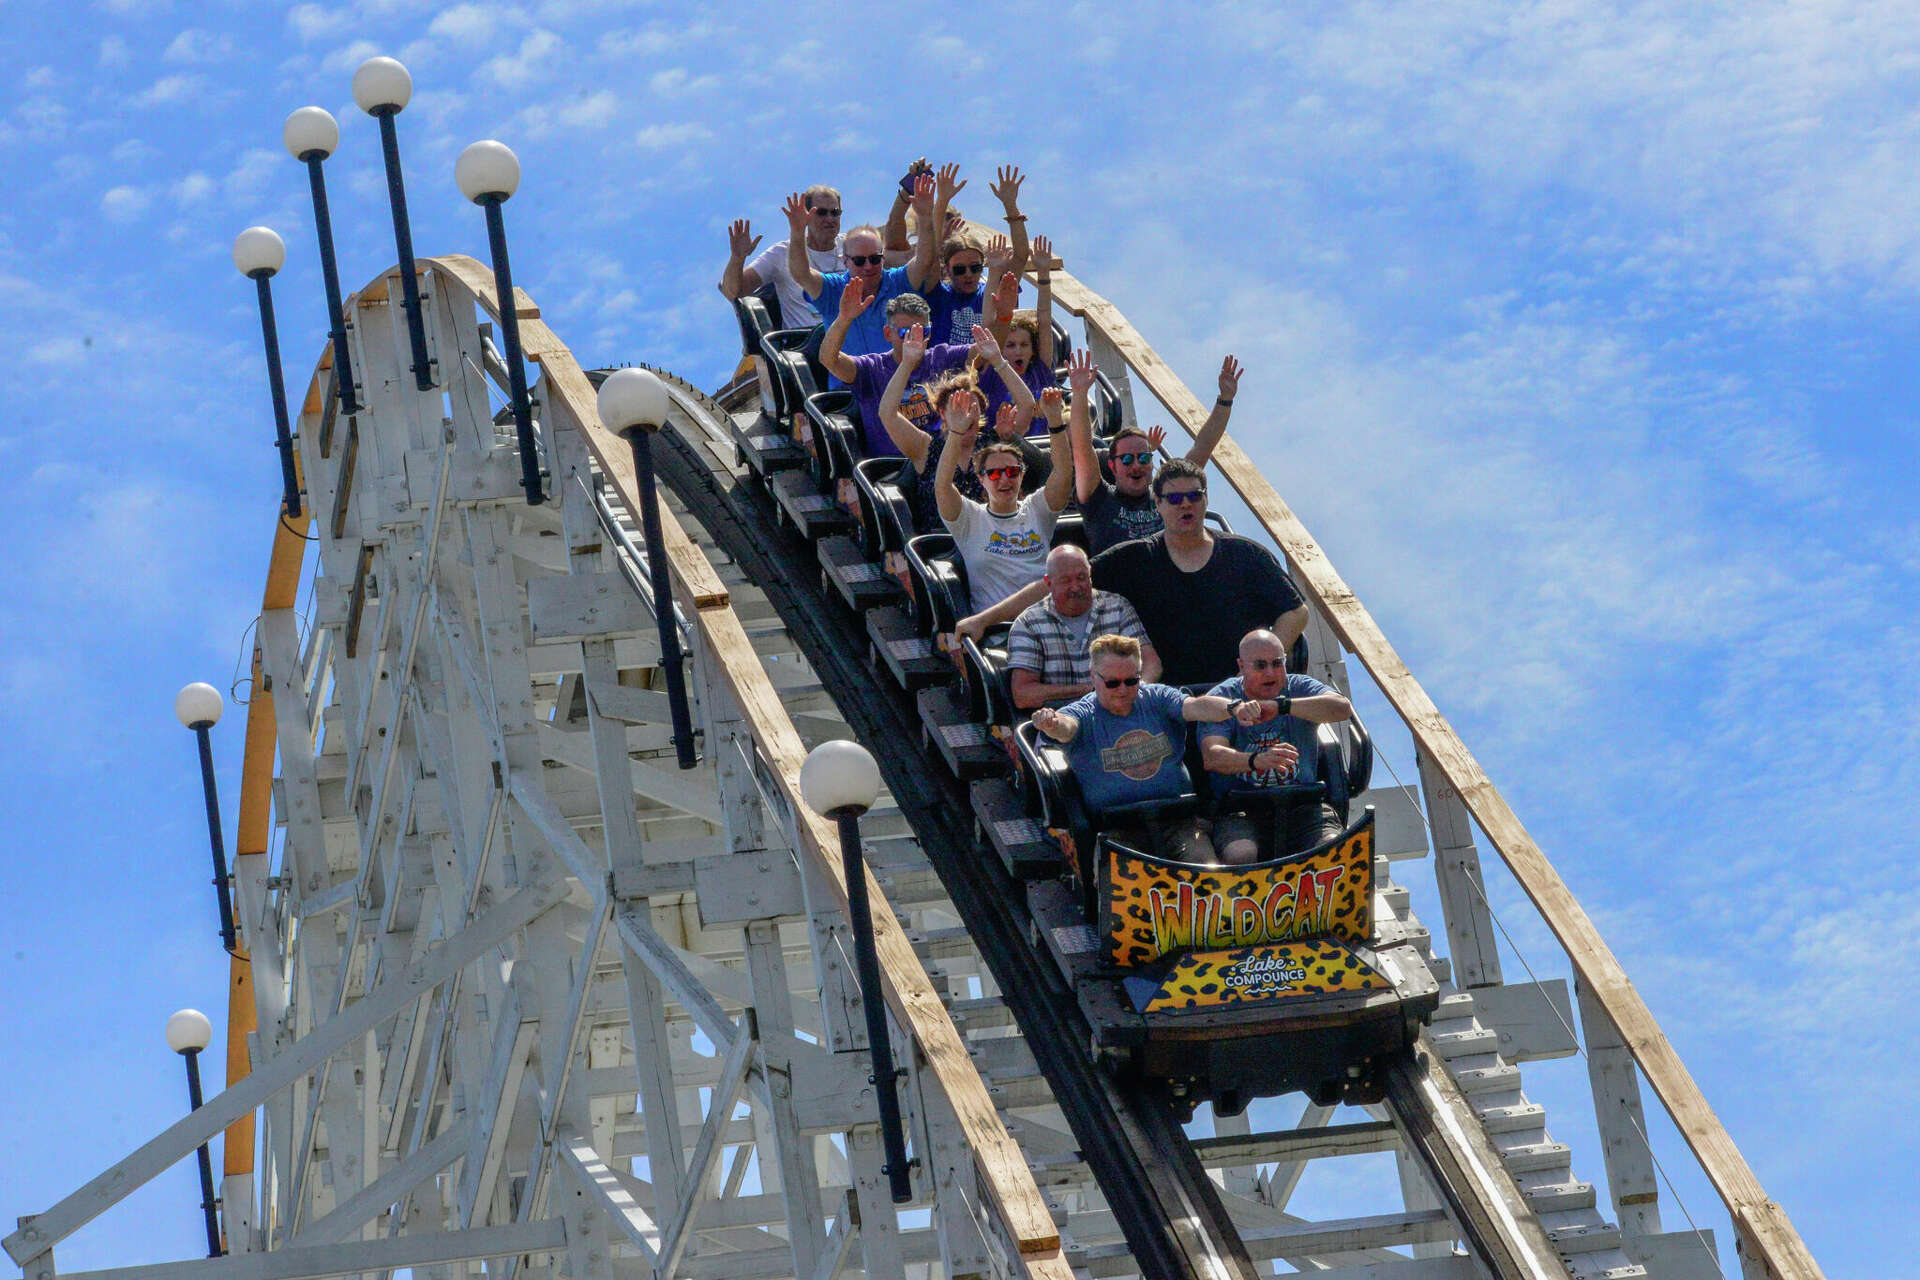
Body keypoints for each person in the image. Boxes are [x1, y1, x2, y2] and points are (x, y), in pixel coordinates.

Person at [1029, 634, 1264, 863]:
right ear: (1093, 676)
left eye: (1131, 681)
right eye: (1112, 683)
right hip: (1118, 831)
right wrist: (1052, 724)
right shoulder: (1083, 712)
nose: (1122, 690)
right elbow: (1066, 727)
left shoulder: (1156, 697)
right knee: (1125, 884)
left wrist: (1234, 707)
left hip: (1176, 822)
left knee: (1206, 874)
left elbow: (1195, 706)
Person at [1088, 460, 1308, 687]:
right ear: (1158, 503)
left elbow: (1296, 612)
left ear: (1206, 499)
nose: (1185, 504)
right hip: (1165, 703)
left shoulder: (1246, 554)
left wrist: (1260, 666)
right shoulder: (1134, 559)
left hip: (1241, 699)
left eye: (1194, 496)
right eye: (1174, 499)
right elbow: (1072, 578)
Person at [1200, 630, 1354, 864]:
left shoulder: (1298, 687)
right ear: (1242, 666)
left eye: (1277, 663)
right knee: (1241, 855)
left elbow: (1342, 708)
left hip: (1303, 806)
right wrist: (1256, 760)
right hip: (1240, 810)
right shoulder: (1224, 698)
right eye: (1260, 665)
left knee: (1331, 850)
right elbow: (1212, 756)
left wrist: (1283, 707)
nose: (1270, 673)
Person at [1068, 350, 1244, 553]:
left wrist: (1225, 399)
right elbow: (1082, 449)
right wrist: (1080, 394)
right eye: (1126, 459)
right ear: (1112, 466)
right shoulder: (1100, 499)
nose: (1136, 465)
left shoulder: (1167, 494)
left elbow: (1203, 447)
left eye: (1143, 458)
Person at [784, 166, 955, 367]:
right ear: (845, 260)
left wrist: (926, 217)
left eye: (874, 259)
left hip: (902, 388)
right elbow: (801, 274)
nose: (868, 266)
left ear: (883, 258)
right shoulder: (833, 289)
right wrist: (797, 232)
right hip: (850, 391)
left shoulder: (898, 281)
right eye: (859, 261)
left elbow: (925, 260)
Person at [934, 368, 1074, 613]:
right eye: (995, 474)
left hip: (1049, 619)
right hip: (999, 633)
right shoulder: (970, 519)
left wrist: (1055, 423)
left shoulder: (1036, 510)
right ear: (981, 479)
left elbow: (1062, 475)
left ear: (1021, 475)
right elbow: (943, 486)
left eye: (1011, 472)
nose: (1004, 480)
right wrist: (956, 431)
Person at [877, 336, 1049, 533]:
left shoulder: (996, 440)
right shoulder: (925, 448)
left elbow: (1027, 405)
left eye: (972, 408)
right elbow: (887, 413)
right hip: (944, 546)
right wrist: (907, 364)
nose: (966, 415)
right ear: (942, 413)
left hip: (994, 537)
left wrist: (998, 361)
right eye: (958, 408)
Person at [817, 286, 969, 454]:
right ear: (888, 333)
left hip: (937, 461)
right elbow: (828, 359)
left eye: (923, 331)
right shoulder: (872, 368)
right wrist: (844, 319)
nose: (914, 339)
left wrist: (1003, 316)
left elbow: (987, 351)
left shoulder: (941, 357)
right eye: (905, 333)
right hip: (894, 471)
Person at [1006, 545, 1160, 709]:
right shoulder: (1029, 623)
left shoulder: (1118, 608)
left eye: (1081, 578)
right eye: (1065, 580)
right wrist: (1091, 690)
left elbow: (1152, 664)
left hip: (1121, 713)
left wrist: (1136, 692)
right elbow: (1023, 695)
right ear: (1048, 582)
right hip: (1058, 722)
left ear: (1090, 575)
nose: (1075, 587)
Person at [921, 165, 1032, 344]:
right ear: (947, 269)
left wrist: (1010, 206)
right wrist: (941, 201)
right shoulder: (939, 294)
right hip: (945, 370)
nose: (968, 274)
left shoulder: (990, 291)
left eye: (975, 267)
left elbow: (1020, 256)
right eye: (959, 270)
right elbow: (930, 256)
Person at [718, 185, 843, 327]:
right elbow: (733, 292)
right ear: (806, 215)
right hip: (806, 344)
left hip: (854, 339)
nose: (830, 218)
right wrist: (737, 258)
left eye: (835, 212)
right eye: (821, 213)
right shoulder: (780, 253)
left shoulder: (853, 246)